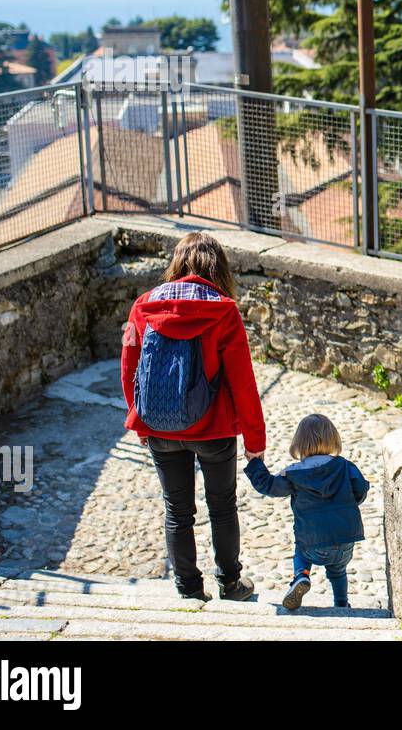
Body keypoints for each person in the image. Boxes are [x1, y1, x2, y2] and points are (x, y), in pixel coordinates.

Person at [120, 232, 266, 602]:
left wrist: (139, 420)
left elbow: (129, 369)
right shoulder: (223, 310)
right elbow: (242, 380)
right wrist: (255, 442)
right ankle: (231, 585)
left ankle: (188, 588)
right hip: (214, 430)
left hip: (160, 428)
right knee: (222, 506)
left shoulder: (143, 306)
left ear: (177, 263)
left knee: (177, 510)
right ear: (218, 267)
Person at [245, 414, 369, 610]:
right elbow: (361, 490)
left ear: (299, 444)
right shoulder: (345, 466)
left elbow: (268, 486)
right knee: (338, 571)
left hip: (312, 542)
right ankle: (341, 604)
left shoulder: (295, 473)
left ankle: (301, 576)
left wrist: (255, 463)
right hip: (345, 538)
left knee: (301, 552)